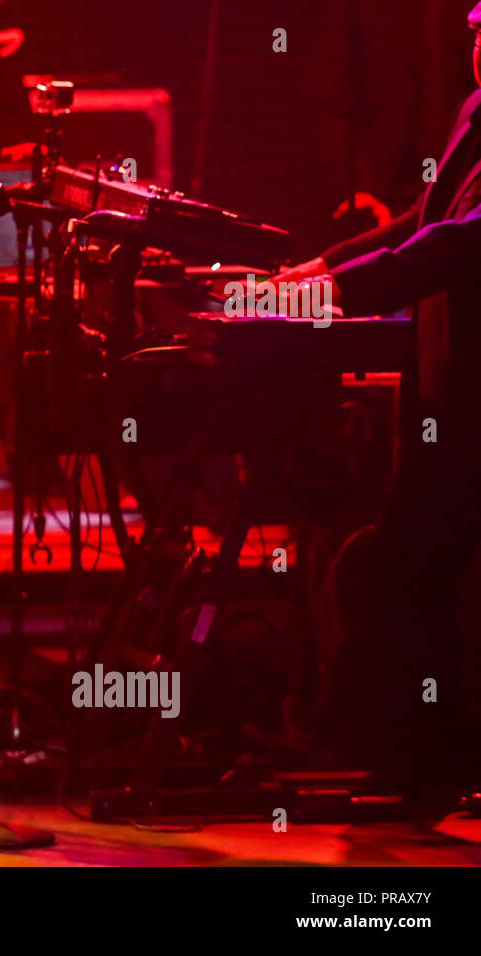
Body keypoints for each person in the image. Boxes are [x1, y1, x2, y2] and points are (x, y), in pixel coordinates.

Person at [263, 4, 481, 810]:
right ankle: (429, 763)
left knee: (408, 565)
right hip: (449, 384)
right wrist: (312, 270)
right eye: (476, 30)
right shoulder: (474, 112)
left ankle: (430, 762)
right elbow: (429, 222)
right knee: (406, 566)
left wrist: (335, 290)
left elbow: (461, 244)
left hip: (469, 391)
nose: (477, 42)